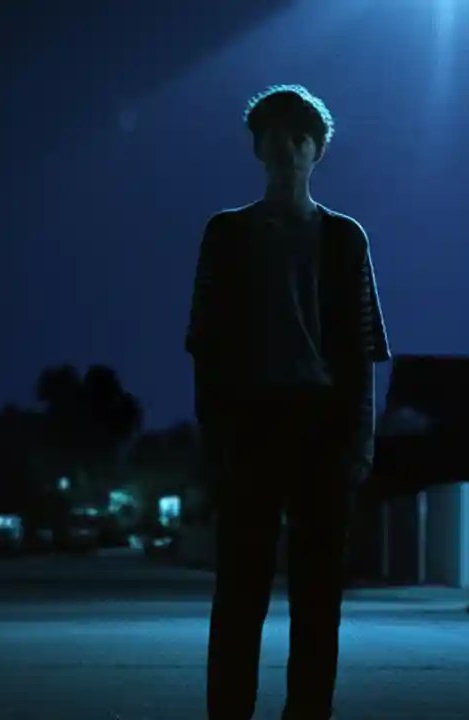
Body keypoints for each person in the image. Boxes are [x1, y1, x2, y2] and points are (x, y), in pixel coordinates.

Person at [185, 84, 391, 720]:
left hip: (320, 424)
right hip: (250, 423)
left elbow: (361, 350)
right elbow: (207, 346)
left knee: (317, 593)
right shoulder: (226, 233)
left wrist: (359, 441)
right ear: (257, 148)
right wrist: (214, 444)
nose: (286, 149)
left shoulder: (344, 239)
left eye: (299, 138)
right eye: (273, 138)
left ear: (317, 150)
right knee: (240, 589)